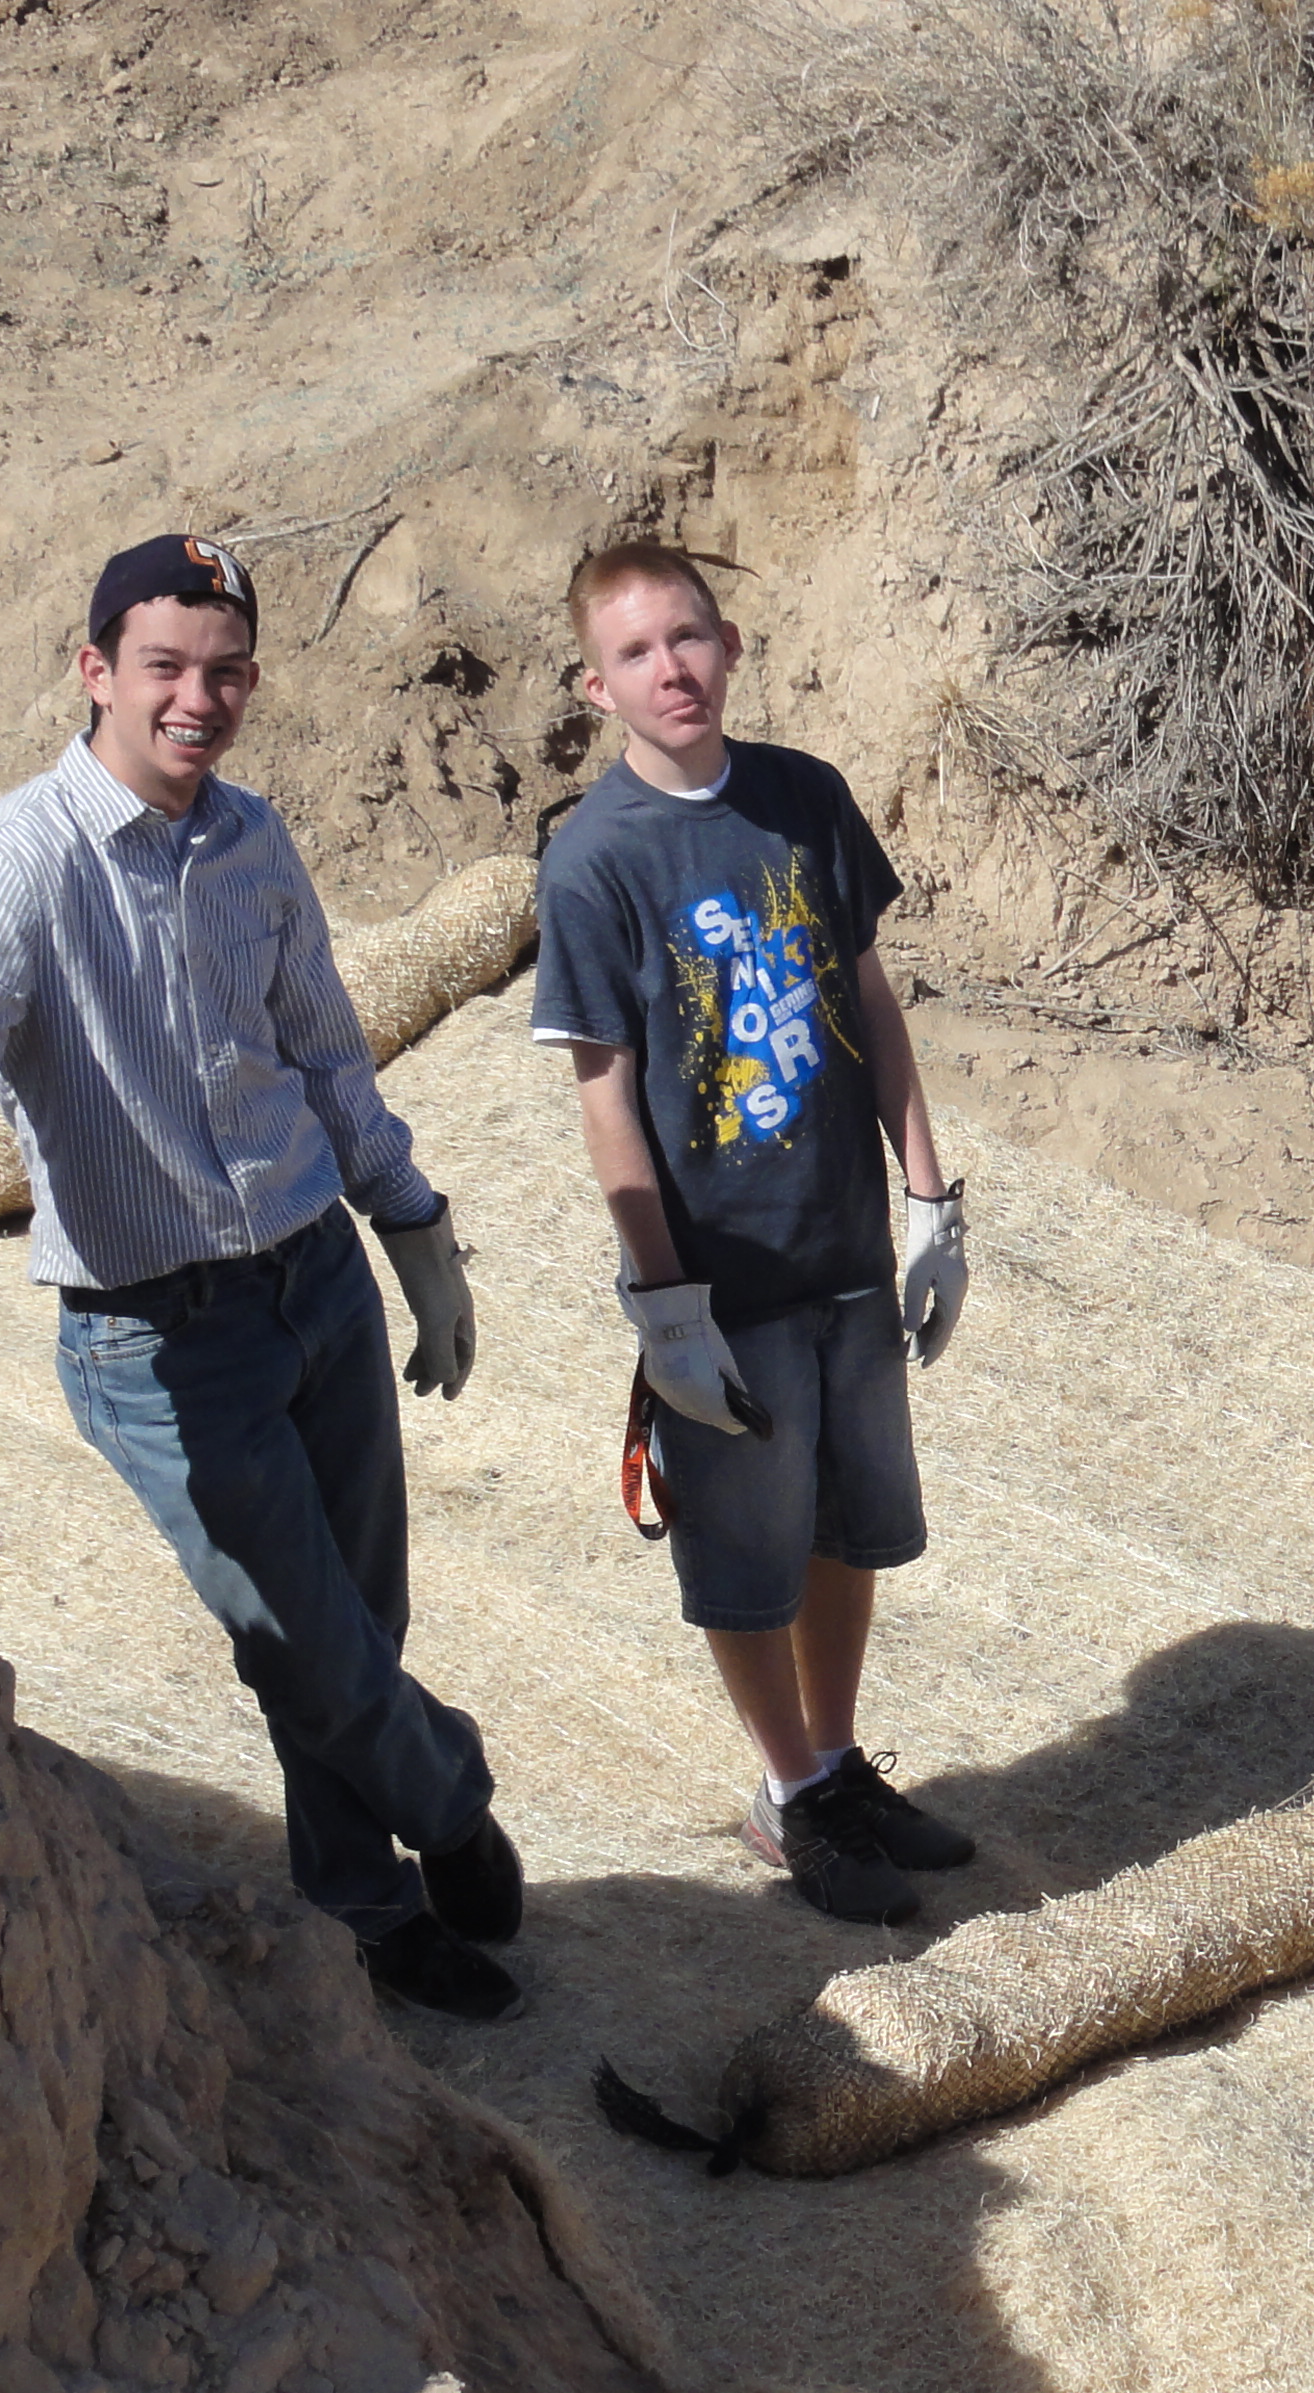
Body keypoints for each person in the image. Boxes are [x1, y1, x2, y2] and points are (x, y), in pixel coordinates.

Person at [0, 533, 517, 2020]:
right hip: (158, 1339)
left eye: (227, 671)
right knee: (305, 1645)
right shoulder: (21, 863)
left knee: (355, 1629)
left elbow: (328, 1055)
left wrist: (415, 1232)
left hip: (316, 1285)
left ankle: (366, 1912)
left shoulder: (253, 840)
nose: (200, 698)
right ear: (97, 670)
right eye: (167, 667)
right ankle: (447, 1797)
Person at [532, 541, 975, 1928]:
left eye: (689, 638)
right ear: (596, 688)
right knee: (746, 1550)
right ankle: (786, 1795)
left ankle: (835, 1765)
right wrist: (664, 1304)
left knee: (847, 1523)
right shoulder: (594, 861)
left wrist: (929, 1198)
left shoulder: (803, 798)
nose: (671, 669)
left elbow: (870, 997)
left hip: (842, 1247)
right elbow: (606, 1093)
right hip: (724, 1281)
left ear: (729, 646)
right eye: (636, 652)